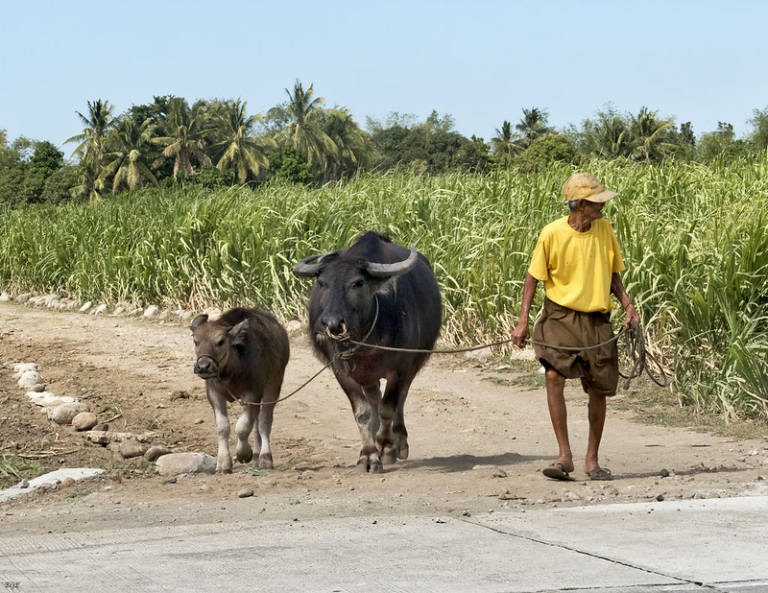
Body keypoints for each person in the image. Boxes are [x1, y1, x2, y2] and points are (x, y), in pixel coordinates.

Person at [510, 173, 641, 481]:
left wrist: (629, 306)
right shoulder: (552, 234)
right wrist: (522, 321)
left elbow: (612, 275)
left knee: (599, 388)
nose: (603, 208)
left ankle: (591, 461)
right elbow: (533, 278)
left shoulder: (604, 230)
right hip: (559, 316)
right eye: (597, 203)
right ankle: (564, 456)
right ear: (581, 205)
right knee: (554, 375)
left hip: (596, 320)